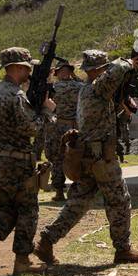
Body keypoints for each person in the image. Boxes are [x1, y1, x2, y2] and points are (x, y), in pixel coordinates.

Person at [34, 49, 138, 266]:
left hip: (89, 156)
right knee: (119, 201)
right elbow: (114, 74)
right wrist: (128, 63)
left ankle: (47, 240)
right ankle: (123, 249)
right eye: (105, 68)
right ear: (99, 70)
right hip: (101, 159)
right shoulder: (97, 89)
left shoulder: (89, 90)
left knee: (77, 204)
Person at [0, 47, 54, 276]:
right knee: (28, 209)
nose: (30, 72)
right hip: (16, 161)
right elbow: (31, 128)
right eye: (27, 68)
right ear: (18, 68)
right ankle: (22, 261)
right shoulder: (16, 96)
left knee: (8, 206)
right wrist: (46, 112)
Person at [45, 59, 82, 201]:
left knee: (57, 158)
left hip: (58, 127)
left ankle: (59, 191)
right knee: (77, 158)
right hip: (75, 127)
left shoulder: (53, 88)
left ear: (56, 73)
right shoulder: (79, 86)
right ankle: (78, 189)